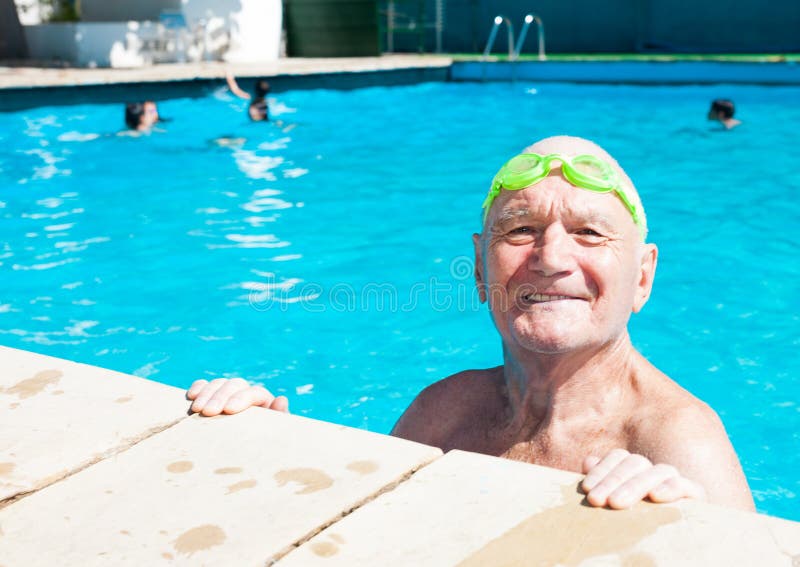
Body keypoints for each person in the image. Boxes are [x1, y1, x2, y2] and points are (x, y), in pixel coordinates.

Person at [186, 135, 755, 512]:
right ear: (483, 270)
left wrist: (690, 536)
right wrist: (268, 445)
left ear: (642, 278)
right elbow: (356, 532)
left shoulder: (678, 446)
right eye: (520, 230)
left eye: (589, 233)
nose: (551, 258)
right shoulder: (446, 411)